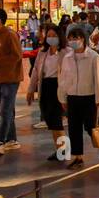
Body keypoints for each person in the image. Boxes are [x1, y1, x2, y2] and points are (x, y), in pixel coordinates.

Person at [58, 25, 99, 169]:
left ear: (83, 39)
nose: (74, 41)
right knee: (74, 128)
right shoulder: (67, 58)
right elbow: (63, 79)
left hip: (89, 97)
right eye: (71, 38)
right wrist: (62, 97)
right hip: (73, 97)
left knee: (91, 127)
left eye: (77, 38)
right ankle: (78, 157)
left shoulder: (93, 57)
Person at [0, 7, 24, 155]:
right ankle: (12, 140)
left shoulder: (9, 34)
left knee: (6, 110)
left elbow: (17, 56)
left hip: (11, 78)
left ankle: (0, 141)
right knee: (5, 110)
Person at [27, 24, 67, 162]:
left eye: (54, 36)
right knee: (50, 121)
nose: (51, 38)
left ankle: (63, 151)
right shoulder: (43, 52)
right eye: (48, 36)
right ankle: (60, 150)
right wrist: (31, 89)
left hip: (59, 87)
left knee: (57, 122)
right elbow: (36, 71)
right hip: (46, 87)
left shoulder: (66, 52)